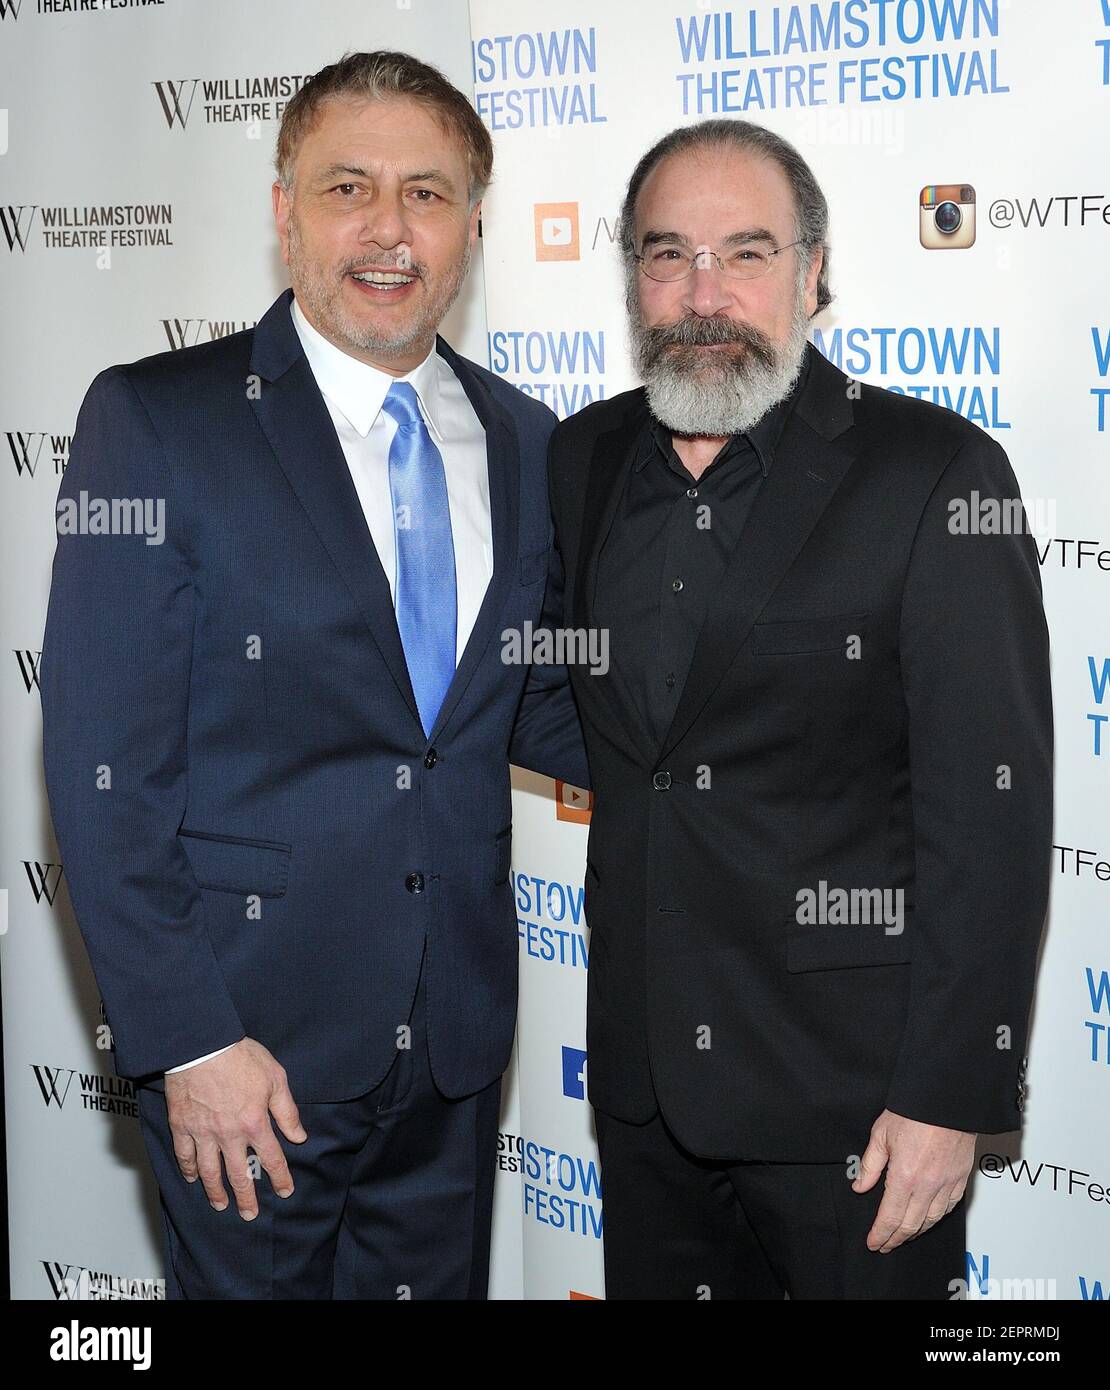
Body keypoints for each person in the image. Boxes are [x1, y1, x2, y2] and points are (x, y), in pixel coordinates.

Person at [41, 50, 587, 1300]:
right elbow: (100, 773)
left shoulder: (522, 437)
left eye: (429, 194)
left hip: (450, 1049)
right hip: (252, 1052)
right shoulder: (158, 421)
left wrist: (754, 750)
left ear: (473, 225)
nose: (389, 230)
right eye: (349, 187)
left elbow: (527, 701)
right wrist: (189, 1041)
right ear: (286, 212)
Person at [547, 118, 1052, 1299]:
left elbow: (991, 812)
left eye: (749, 253)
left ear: (816, 272)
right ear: (632, 276)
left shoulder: (933, 473)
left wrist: (948, 1094)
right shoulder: (581, 460)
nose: (704, 294)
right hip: (645, 1094)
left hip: (859, 1111)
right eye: (668, 255)